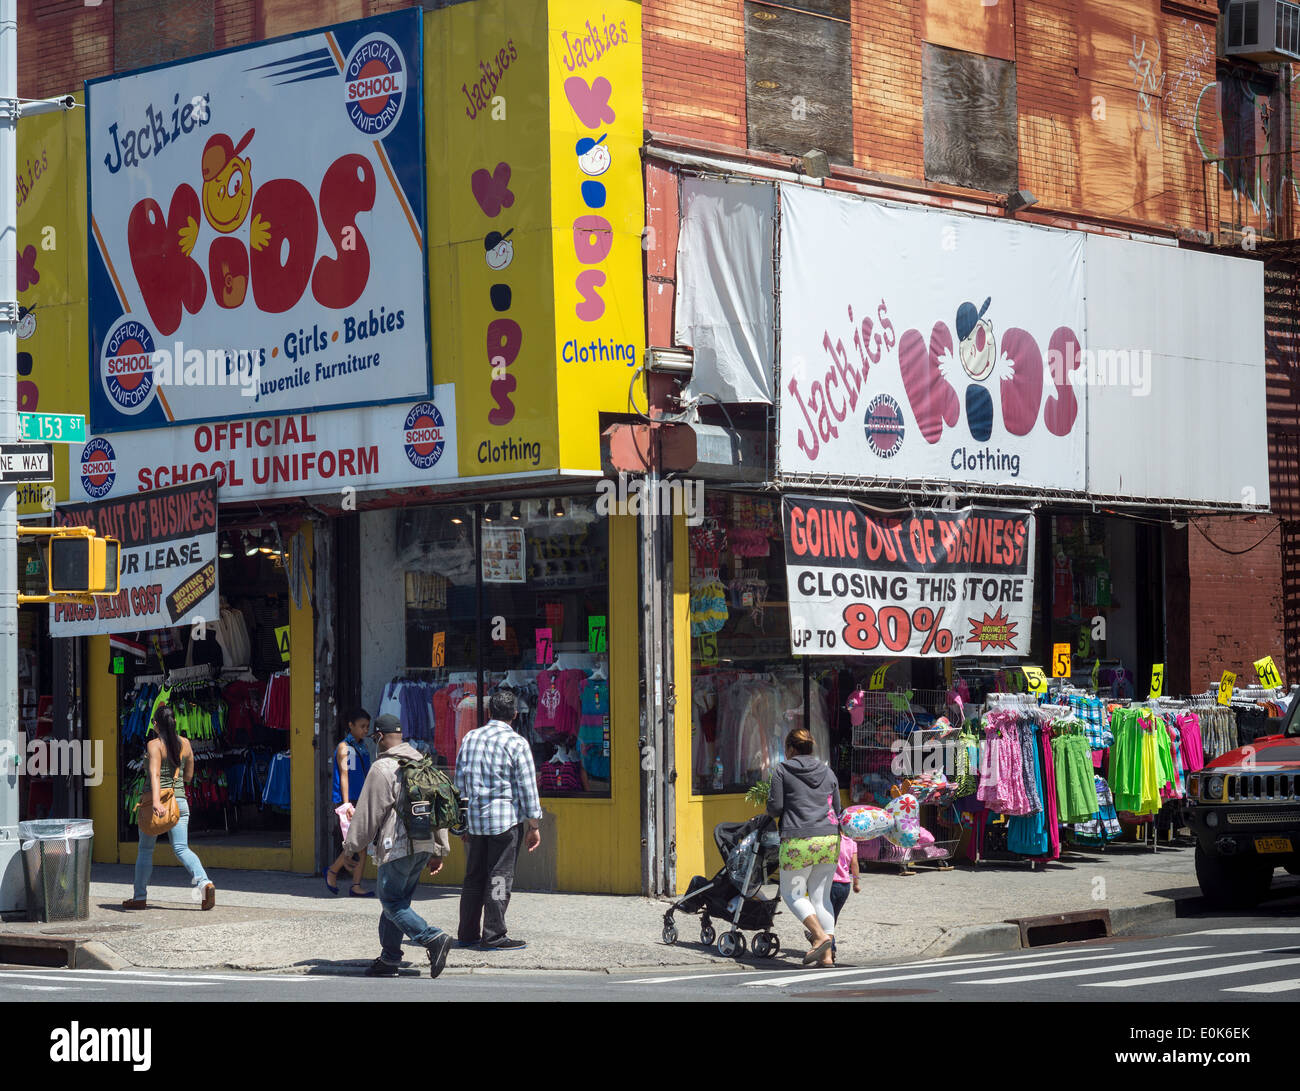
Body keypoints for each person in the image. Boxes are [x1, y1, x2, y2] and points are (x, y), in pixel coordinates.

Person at [342, 713, 453, 978]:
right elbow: (437, 811)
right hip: (424, 843)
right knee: (397, 902)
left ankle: (432, 938)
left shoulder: (383, 768)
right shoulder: (423, 763)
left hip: (398, 846)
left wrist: (350, 848)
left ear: (379, 737)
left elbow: (368, 813)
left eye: (374, 737)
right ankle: (390, 959)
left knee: (391, 901)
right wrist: (439, 850)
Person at [454, 689, 542, 951]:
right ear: (515, 715)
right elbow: (527, 787)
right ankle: (493, 934)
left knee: (474, 877)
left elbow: (460, 782)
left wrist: (462, 822)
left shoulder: (471, 738)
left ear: (490, 712)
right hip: (505, 822)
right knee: (499, 878)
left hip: (476, 821)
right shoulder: (516, 743)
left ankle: (467, 932)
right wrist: (534, 825)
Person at [123, 704, 215, 911]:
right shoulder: (186, 744)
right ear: (174, 723)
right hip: (179, 802)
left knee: (145, 850)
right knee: (182, 848)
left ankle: (139, 897)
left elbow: (155, 774)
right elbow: (189, 777)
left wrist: (156, 802)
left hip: (154, 804)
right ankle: (205, 883)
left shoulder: (153, 745)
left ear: (156, 724)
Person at [766, 726, 841, 968]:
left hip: (799, 840)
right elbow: (837, 808)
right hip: (829, 839)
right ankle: (827, 956)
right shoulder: (828, 772)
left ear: (789, 749)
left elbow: (775, 807)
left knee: (793, 893)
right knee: (821, 897)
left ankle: (819, 937)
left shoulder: (782, 770)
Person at [324, 707, 374, 897]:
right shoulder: (344, 747)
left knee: (359, 844)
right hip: (348, 800)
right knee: (358, 845)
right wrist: (346, 805)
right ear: (350, 725)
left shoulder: (363, 747)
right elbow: (344, 775)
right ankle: (351, 883)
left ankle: (336, 873)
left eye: (367, 727)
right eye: (362, 726)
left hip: (361, 798)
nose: (365, 730)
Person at [828, 833, 861, 963]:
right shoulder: (851, 842)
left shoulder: (830, 840)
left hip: (830, 883)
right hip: (845, 885)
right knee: (832, 917)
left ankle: (829, 947)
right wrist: (856, 883)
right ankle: (827, 945)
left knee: (825, 918)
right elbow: (854, 863)